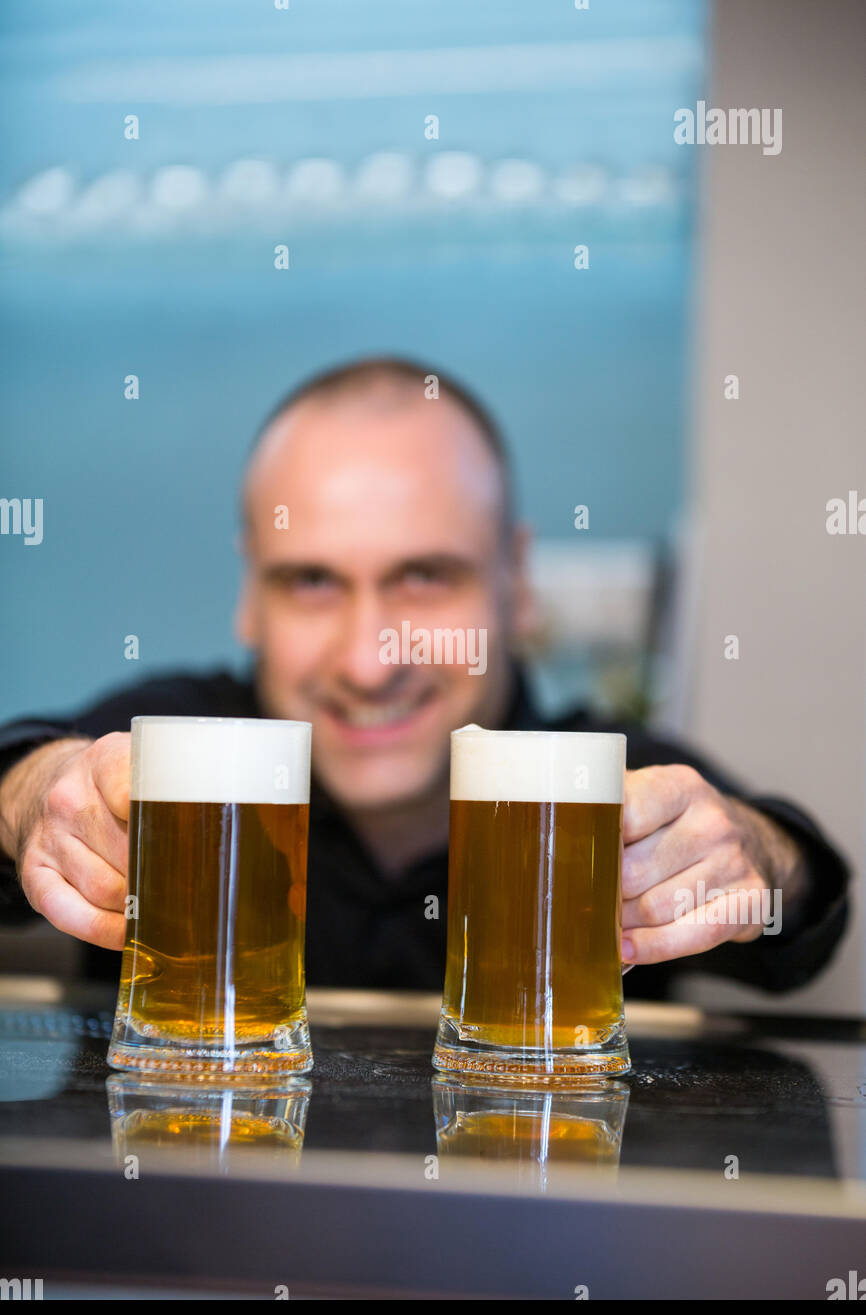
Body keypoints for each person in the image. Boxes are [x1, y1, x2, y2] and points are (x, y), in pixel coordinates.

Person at [0, 358, 850, 999]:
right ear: (249, 596)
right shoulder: (171, 747)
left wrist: (758, 859)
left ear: (515, 582)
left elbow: (803, 912)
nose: (371, 661)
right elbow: (25, 775)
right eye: (312, 582)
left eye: (424, 577)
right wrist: (36, 797)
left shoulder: (608, 785)